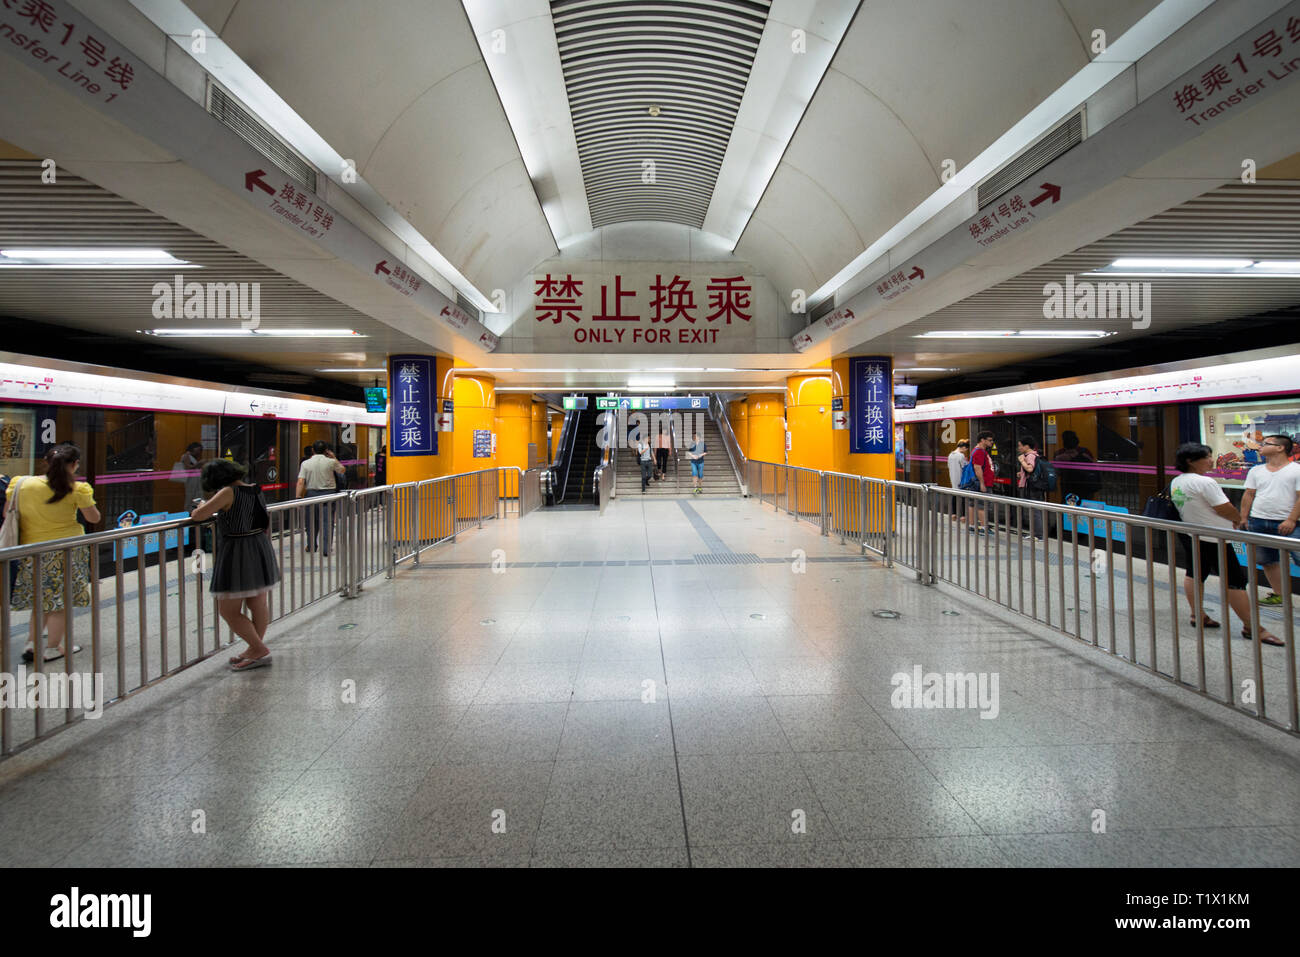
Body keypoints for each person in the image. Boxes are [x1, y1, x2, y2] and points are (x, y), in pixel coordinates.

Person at [1170, 442, 1282, 646]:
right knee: (1235, 581)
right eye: (1207, 456)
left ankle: (1198, 615)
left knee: (1195, 573)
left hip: (1194, 534)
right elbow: (1224, 508)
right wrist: (1238, 519)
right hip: (1215, 537)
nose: (1211, 460)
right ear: (1191, 461)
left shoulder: (1178, 481)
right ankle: (1251, 627)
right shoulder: (1205, 483)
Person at [5, 444, 100, 663]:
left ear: (46, 461)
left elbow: (7, 513)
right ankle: (51, 648)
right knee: (60, 604)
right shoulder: (78, 488)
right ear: (75, 464)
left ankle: (32, 643)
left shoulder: (20, 483)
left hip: (32, 552)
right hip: (66, 552)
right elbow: (94, 518)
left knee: (42, 601)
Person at [192, 459, 281, 671]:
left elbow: (199, 516)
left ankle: (258, 649)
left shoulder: (227, 492)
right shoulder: (254, 489)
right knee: (257, 603)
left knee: (228, 609)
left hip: (238, 550)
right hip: (259, 546)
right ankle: (254, 649)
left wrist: (202, 505)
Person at [1239, 434, 1300, 606]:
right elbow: (1249, 494)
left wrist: (1291, 520)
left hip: (1289, 522)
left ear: (1280, 448)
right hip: (1258, 520)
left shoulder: (1296, 470)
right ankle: (1280, 595)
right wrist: (1244, 517)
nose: (1260, 446)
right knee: (1267, 560)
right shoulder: (1256, 470)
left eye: (1265, 443)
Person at [296, 440, 345, 556]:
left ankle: (312, 545)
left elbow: (300, 481)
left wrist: (298, 498)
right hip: (328, 495)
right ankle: (326, 549)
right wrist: (334, 457)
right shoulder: (331, 462)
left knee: (311, 521)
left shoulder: (305, 463)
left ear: (313, 450)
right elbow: (342, 470)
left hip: (311, 495)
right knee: (327, 522)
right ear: (326, 451)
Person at [1053, 430, 1101, 500]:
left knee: (1070, 507)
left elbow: (1057, 472)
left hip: (1068, 486)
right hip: (1086, 487)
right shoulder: (1085, 453)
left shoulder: (1059, 455)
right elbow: (1093, 467)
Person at [1016, 436, 1045, 541]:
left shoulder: (1030, 456)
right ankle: (1036, 534)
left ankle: (1038, 535)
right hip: (1033, 486)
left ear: (1026, 446)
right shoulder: (1035, 455)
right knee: (1034, 510)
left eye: (1020, 446)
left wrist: (1021, 461)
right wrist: (1021, 473)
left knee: (1034, 510)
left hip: (1030, 488)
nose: (1019, 448)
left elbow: (1029, 468)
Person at [966, 431, 995, 532]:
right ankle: (984, 528)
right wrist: (982, 484)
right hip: (981, 483)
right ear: (982, 440)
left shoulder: (977, 450)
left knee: (973, 504)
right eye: (990, 440)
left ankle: (972, 525)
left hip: (976, 483)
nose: (992, 442)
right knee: (982, 505)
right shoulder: (979, 451)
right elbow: (977, 468)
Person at [947, 439, 969, 523]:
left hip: (953, 478)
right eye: (965, 449)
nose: (965, 451)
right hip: (960, 478)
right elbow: (964, 467)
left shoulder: (950, 455)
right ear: (963, 447)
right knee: (963, 497)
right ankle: (963, 516)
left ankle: (953, 514)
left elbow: (949, 466)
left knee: (954, 495)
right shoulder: (961, 456)